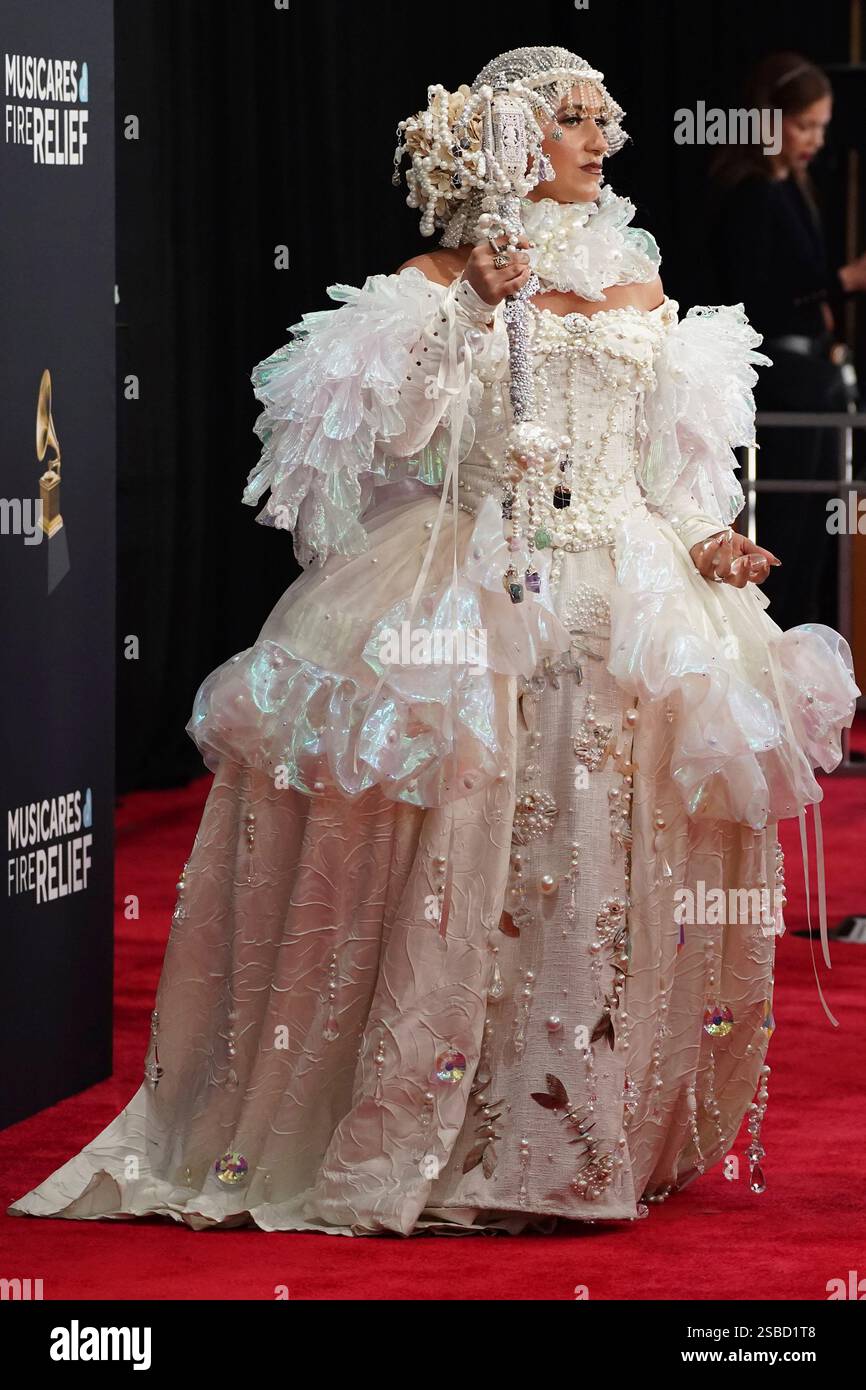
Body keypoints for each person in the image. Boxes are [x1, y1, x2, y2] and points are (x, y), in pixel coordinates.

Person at [8, 45, 858, 1236]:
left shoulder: (640, 280)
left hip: (626, 605)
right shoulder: (446, 279)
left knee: (601, 855)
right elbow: (393, 442)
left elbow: (676, 471)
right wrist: (467, 311)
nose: (598, 137)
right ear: (511, 137)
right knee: (485, 850)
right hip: (487, 592)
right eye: (571, 119)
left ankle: (575, 1131)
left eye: (603, 119)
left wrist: (713, 538)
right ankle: (454, 1125)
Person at [705, 51, 866, 633]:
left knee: (819, 516)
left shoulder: (795, 189)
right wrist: (843, 282)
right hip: (780, 381)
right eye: (805, 126)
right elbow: (756, 299)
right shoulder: (749, 193)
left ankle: (806, 631)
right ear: (769, 121)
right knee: (789, 519)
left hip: (812, 378)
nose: (816, 141)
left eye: (822, 127)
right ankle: (775, 634)